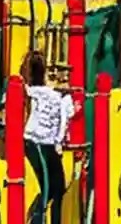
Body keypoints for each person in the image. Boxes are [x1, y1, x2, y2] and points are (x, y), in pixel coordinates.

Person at [22, 50, 74, 224]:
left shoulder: (31, 92)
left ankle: (40, 217)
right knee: (52, 187)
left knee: (51, 187)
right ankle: (41, 218)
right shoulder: (52, 95)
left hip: (36, 142)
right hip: (41, 143)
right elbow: (65, 119)